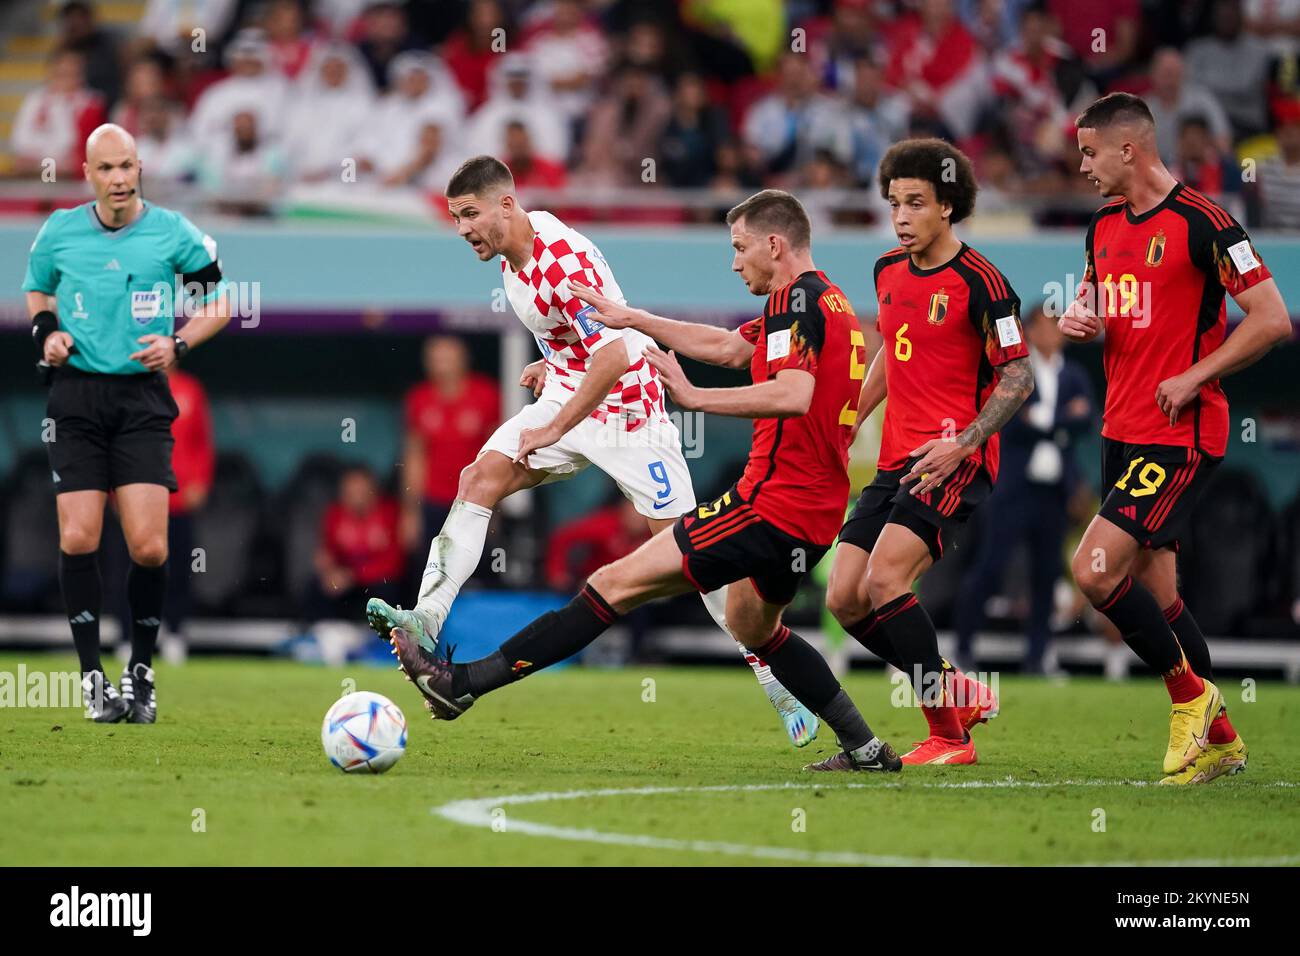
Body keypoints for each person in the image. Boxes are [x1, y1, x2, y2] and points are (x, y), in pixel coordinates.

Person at [377, 188, 900, 772]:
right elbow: (729, 347)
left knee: (611, 584)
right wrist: (636, 320)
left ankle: (464, 682)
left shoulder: (795, 302)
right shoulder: (829, 303)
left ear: (774, 245)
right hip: (813, 513)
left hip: (768, 504)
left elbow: (794, 394)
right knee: (756, 628)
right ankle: (866, 747)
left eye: (740, 248)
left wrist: (693, 397)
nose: (734, 262)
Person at [1061, 92, 1290, 783]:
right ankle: (1220, 740)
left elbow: (1272, 318)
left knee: (1093, 570)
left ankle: (1191, 698)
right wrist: (1082, 314)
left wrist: (1196, 375)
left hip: (1180, 432)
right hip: (1121, 428)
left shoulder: (1206, 222)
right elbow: (1101, 296)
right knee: (1157, 597)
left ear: (1128, 149)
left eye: (1089, 152)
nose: (1082, 166)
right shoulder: (1102, 223)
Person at [825, 138, 1034, 766]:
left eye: (915, 204)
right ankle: (953, 688)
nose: (901, 217)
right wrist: (851, 417)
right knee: (843, 597)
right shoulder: (887, 270)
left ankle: (949, 735)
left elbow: (1018, 376)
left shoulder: (984, 282)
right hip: (894, 459)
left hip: (954, 457)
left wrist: (966, 440)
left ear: (948, 206)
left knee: (885, 578)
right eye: (894, 204)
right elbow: (892, 348)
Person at [23, 124, 231, 722]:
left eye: (127, 167)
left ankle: (140, 670)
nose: (118, 179)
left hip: (142, 400)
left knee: (148, 544)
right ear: (87, 173)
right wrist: (49, 335)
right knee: (79, 537)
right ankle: (92, 678)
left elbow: (219, 301)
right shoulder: (59, 232)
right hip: (77, 398)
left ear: (140, 168)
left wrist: (181, 344)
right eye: (106, 169)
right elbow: (38, 293)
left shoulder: (172, 233)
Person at [952, 303, 1095, 673]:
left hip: (1053, 491)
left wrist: (1045, 421)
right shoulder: (1017, 371)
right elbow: (1015, 423)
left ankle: (1037, 656)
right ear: (1030, 331)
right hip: (1013, 489)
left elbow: (1087, 420)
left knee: (1046, 573)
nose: (1056, 332)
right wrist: (1062, 422)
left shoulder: (1074, 374)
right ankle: (963, 648)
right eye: (1048, 325)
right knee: (991, 565)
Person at [399, 336, 500, 579]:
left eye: (447, 358)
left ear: (463, 360)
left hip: (475, 498)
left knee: (478, 566)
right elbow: (415, 456)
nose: (440, 364)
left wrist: (496, 505)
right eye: (434, 359)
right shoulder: (419, 398)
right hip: (432, 501)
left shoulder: (486, 395)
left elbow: (497, 453)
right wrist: (410, 512)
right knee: (431, 571)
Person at [309, 466, 404, 624]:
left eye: (362, 492)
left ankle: (384, 638)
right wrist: (328, 568)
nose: (357, 498)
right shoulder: (335, 515)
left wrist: (353, 575)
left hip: (376, 582)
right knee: (318, 586)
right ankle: (324, 633)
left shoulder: (390, 513)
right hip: (346, 583)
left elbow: (393, 564)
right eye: (350, 493)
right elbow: (328, 552)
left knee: (386, 588)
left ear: (373, 491)